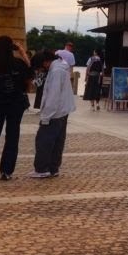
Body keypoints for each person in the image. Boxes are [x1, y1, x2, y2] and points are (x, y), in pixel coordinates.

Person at [0, 36, 33, 180]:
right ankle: (6, 171)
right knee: (12, 136)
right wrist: (22, 52)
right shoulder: (18, 63)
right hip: (15, 103)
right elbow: (30, 72)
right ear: (11, 48)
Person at [31, 50, 77, 178]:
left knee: (43, 141)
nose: (41, 70)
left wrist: (46, 116)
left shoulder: (56, 71)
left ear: (45, 62)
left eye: (40, 67)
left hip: (54, 113)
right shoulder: (61, 67)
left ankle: (42, 169)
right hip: (63, 111)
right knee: (57, 142)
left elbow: (53, 96)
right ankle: (53, 168)